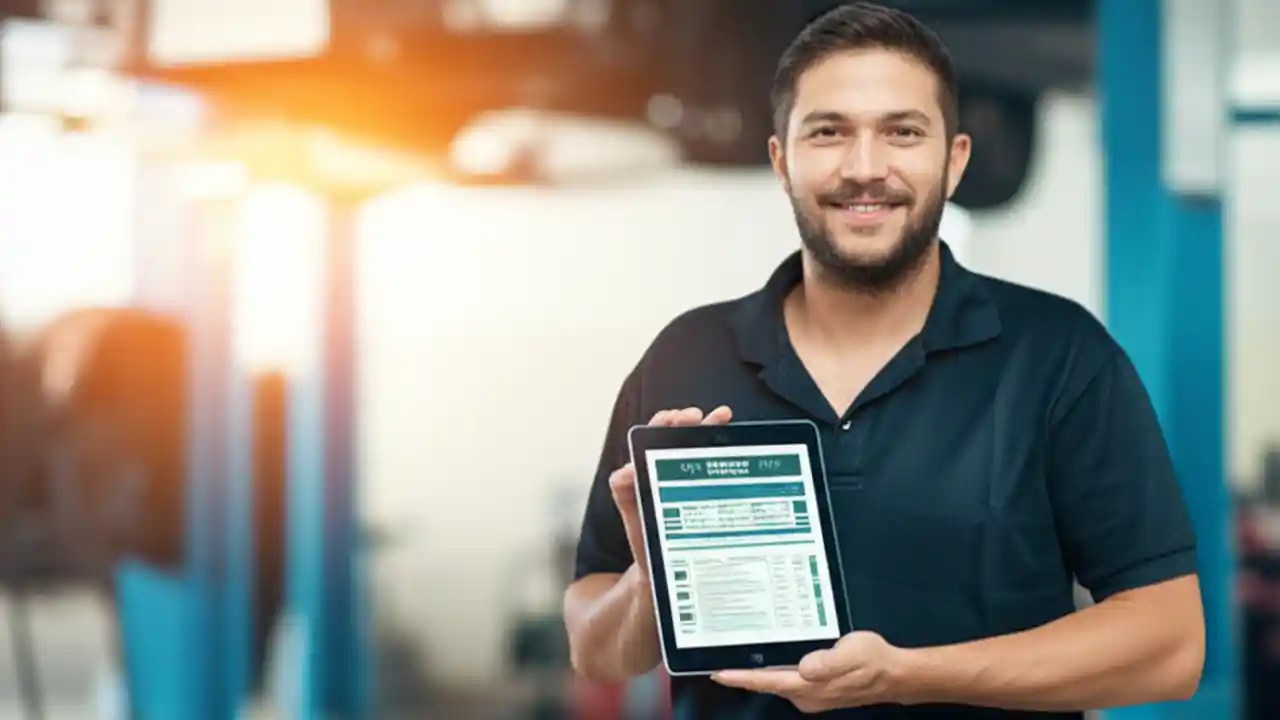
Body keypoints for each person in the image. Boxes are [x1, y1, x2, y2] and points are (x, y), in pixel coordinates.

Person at [562, 2, 1205, 718]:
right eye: (829, 132)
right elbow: (596, 648)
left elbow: (1170, 646)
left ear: (954, 159)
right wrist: (652, 582)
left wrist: (906, 675)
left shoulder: (1058, 356)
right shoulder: (687, 356)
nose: (865, 169)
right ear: (782, 160)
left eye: (901, 132)